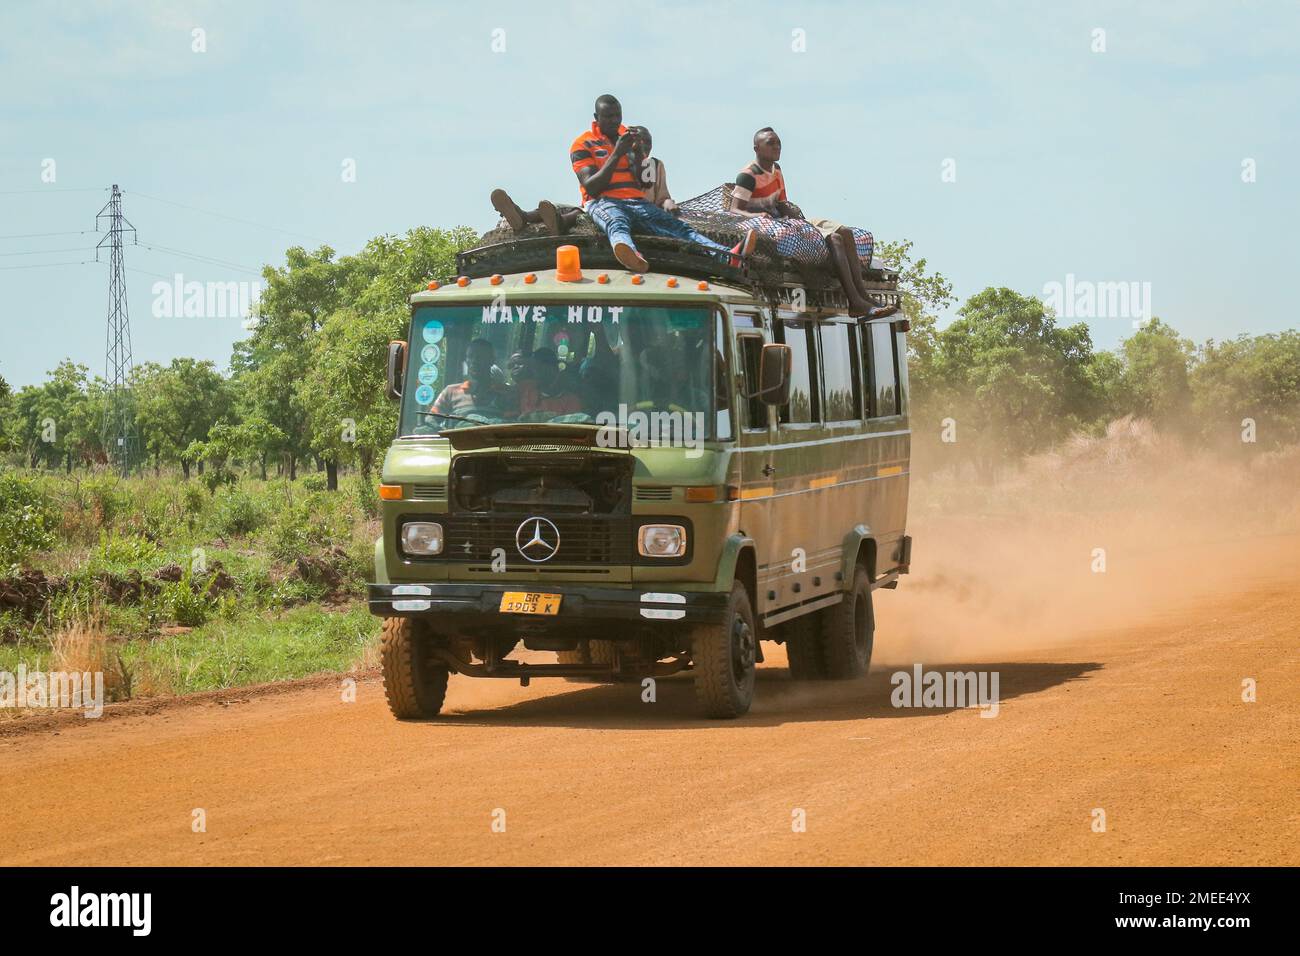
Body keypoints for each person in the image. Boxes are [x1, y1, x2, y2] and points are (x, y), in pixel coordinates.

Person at [571, 94, 755, 273]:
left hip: (636, 201)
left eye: (617, 115)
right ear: (597, 118)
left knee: (678, 227)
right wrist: (618, 153)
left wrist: (637, 153)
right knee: (616, 222)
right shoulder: (582, 144)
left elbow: (644, 180)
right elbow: (592, 187)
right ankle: (629, 253)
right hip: (603, 201)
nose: (614, 120)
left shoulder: (624, 135)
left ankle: (727, 256)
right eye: (608, 116)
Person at [730, 127, 877, 317]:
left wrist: (803, 222)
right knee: (835, 240)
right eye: (770, 143)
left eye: (778, 143)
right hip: (767, 224)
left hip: (784, 219)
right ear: (756, 148)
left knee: (845, 233)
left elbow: (782, 204)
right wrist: (758, 216)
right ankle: (855, 302)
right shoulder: (748, 175)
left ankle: (862, 296)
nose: (777, 147)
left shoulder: (777, 170)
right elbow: (734, 209)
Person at [430, 338, 514, 419]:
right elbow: (431, 422)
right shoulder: (450, 392)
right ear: (466, 360)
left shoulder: (506, 393)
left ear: (492, 360)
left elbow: (511, 426)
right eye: (470, 357)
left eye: (479, 357)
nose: (474, 361)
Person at [517, 347, 584, 417]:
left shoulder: (572, 401)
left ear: (554, 369)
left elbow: (570, 425)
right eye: (533, 369)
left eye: (539, 368)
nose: (534, 374)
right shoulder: (525, 390)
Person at [490, 189, 582, 236]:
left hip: (580, 207)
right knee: (579, 210)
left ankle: (524, 216)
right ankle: (559, 222)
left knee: (544, 211)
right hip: (577, 208)